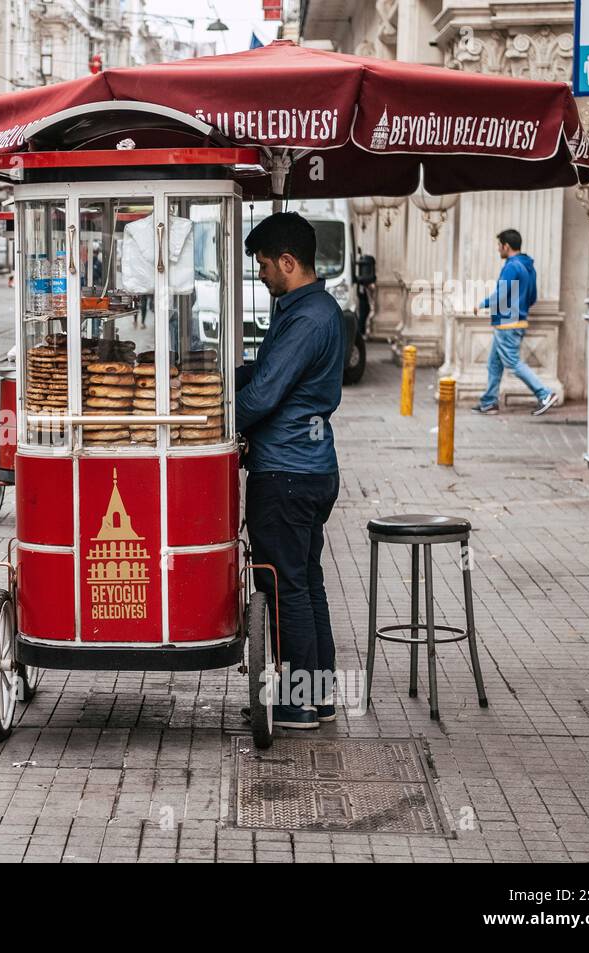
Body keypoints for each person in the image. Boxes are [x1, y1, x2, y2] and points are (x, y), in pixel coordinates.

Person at [235, 212, 345, 731]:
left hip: (286, 472)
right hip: (311, 470)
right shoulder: (311, 309)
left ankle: (297, 703)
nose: (259, 274)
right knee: (306, 584)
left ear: (287, 261)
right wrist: (222, 374)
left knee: (284, 586)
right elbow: (266, 370)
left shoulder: (307, 318)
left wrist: (211, 413)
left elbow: (263, 395)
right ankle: (318, 696)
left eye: (262, 264)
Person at [474, 229, 557, 416]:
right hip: (516, 320)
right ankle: (489, 402)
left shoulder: (511, 266)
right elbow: (533, 297)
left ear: (506, 246)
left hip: (507, 322)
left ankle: (544, 394)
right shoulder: (528, 266)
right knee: (494, 363)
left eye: (499, 245)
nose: (498, 249)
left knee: (512, 362)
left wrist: (483, 304)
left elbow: (502, 294)